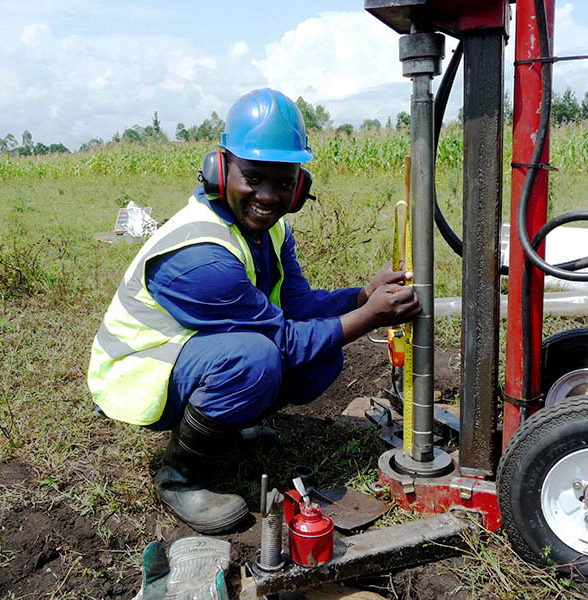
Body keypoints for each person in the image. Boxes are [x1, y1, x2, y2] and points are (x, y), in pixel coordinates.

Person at [87, 88, 420, 534]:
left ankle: (234, 425)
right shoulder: (201, 255)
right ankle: (180, 476)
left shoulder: (270, 233)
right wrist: (370, 318)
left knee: (321, 351)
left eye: (283, 182)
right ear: (220, 169)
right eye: (254, 177)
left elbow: (298, 307)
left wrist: (360, 297)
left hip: (195, 354)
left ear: (300, 186)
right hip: (139, 371)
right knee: (254, 359)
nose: (268, 195)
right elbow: (282, 341)